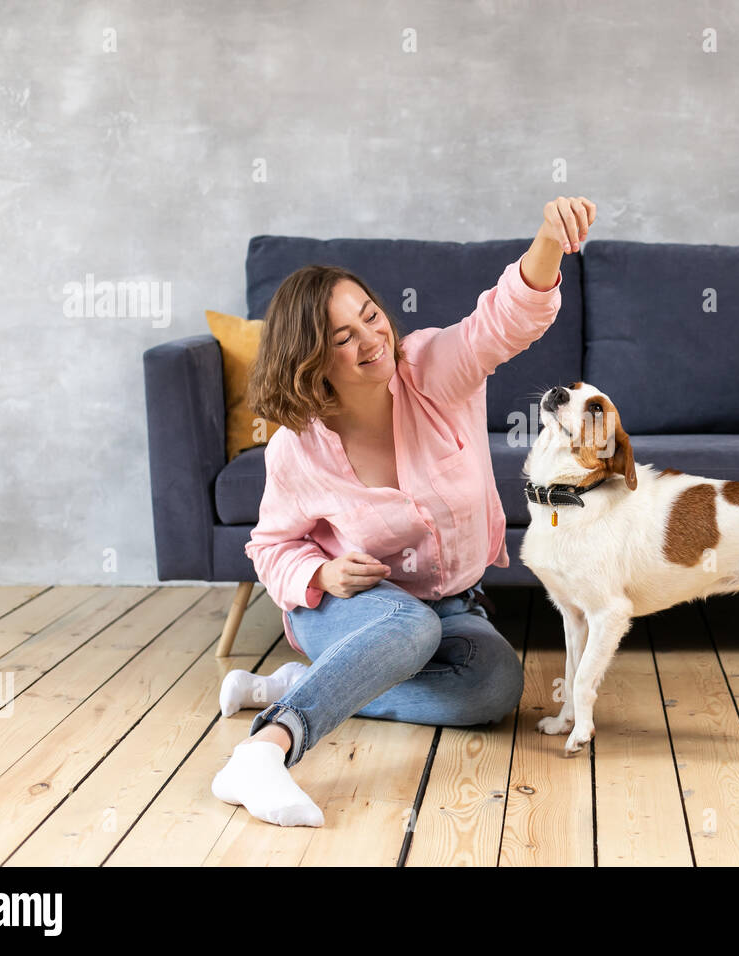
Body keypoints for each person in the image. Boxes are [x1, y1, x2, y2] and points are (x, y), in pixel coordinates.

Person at [211, 196, 597, 826]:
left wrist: (548, 241)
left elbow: (501, 320)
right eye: (344, 337)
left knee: (493, 687)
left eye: (370, 317)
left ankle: (304, 686)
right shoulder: (297, 448)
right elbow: (270, 546)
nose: (372, 339)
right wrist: (320, 576)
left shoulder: (431, 372)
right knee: (410, 629)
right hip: (347, 610)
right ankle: (264, 749)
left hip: (452, 605)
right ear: (310, 360)